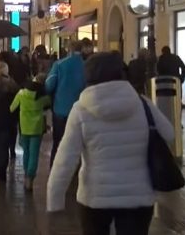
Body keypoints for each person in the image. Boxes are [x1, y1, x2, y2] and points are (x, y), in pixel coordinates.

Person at [46, 52, 174, 235]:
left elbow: (66, 158)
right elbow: (169, 133)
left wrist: (55, 196)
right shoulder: (142, 104)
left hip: (95, 196)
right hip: (137, 195)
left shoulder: (80, 110)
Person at [45, 40, 86, 167]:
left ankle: (56, 167)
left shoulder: (59, 64)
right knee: (79, 142)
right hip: (81, 109)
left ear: (69, 50)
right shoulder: (87, 65)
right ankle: (75, 170)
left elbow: (49, 85)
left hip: (61, 109)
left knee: (58, 142)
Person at [10, 73, 50, 191]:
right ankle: (30, 178)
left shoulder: (21, 93)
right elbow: (49, 104)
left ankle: (26, 172)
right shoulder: (44, 97)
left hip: (24, 127)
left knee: (26, 152)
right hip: (37, 129)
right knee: (34, 154)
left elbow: (12, 108)